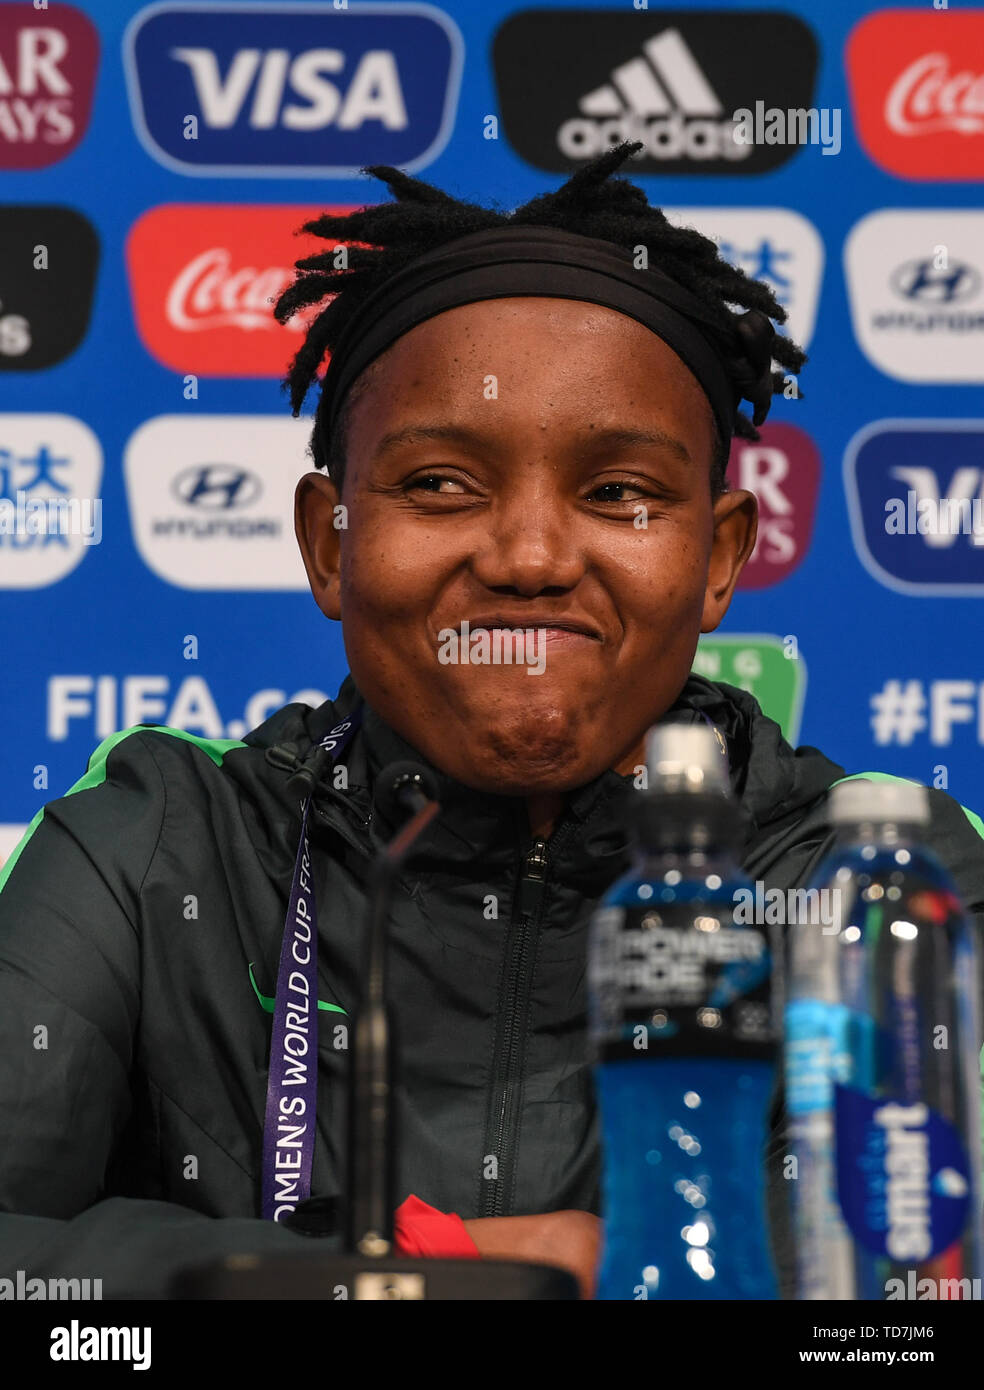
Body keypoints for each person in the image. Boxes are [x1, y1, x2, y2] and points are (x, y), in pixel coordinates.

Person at [1, 142, 982, 1302]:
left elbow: (920, 1285)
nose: (528, 557)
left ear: (719, 557)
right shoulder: (163, 840)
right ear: (330, 542)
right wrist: (438, 1274)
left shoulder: (882, 875)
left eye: (620, 492)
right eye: (440, 485)